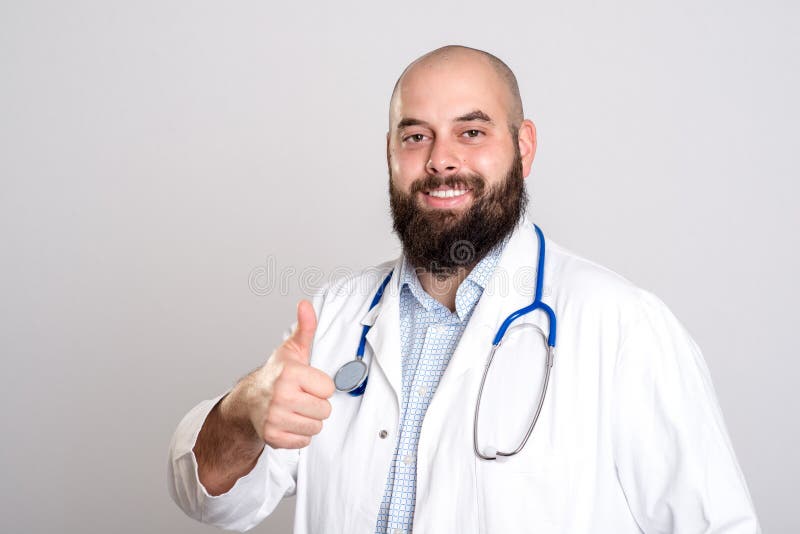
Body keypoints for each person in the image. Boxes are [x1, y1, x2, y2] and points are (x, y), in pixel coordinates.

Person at [167, 45, 760, 533]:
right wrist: (244, 411)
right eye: (415, 136)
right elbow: (212, 501)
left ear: (523, 147)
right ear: (390, 152)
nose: (441, 160)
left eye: (471, 131)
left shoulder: (621, 325)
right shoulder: (334, 317)